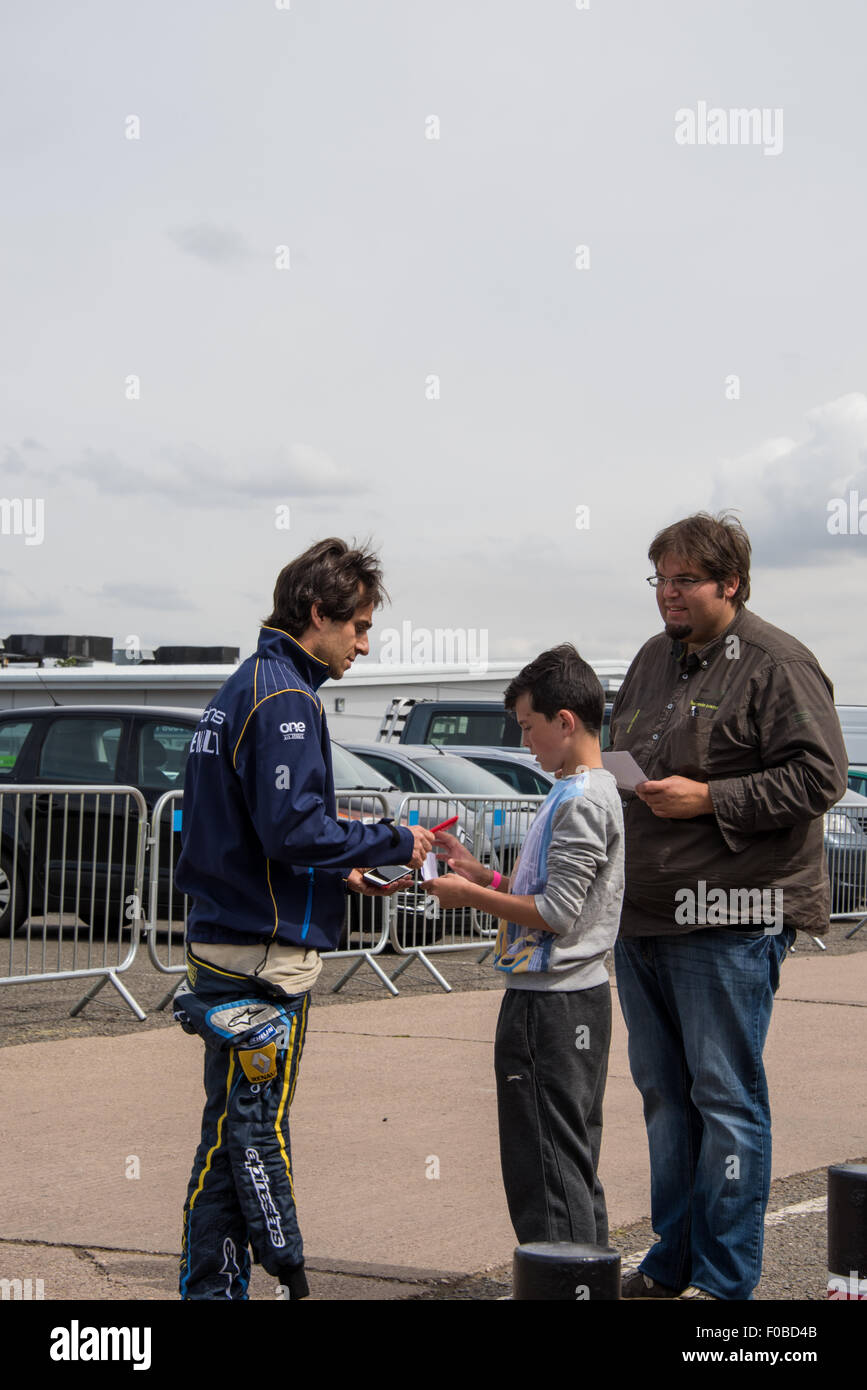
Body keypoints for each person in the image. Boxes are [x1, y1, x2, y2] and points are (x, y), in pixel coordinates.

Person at [173, 538, 434, 1300]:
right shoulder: (284, 696)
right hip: (258, 957)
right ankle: (214, 1292)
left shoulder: (253, 682)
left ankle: (218, 1289)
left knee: (234, 1134)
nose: (363, 642)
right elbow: (291, 830)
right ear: (317, 613)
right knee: (242, 1141)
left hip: (233, 940)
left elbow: (268, 832)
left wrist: (343, 867)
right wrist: (393, 839)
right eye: (357, 626)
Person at [611, 512, 848, 1301]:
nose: (668, 595)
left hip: (729, 917)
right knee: (664, 1101)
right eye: (660, 580)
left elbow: (820, 779)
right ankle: (669, 1261)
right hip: (643, 916)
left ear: (730, 583)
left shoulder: (778, 663)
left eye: (684, 580)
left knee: (723, 1098)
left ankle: (723, 1282)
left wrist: (711, 797)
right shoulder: (650, 660)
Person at [425, 645, 624, 1247]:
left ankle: (563, 1281)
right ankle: (586, 1278)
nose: (526, 742)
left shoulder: (581, 799)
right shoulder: (583, 788)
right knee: (570, 1155)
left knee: (545, 1162)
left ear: (565, 721)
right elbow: (560, 896)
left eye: (528, 727)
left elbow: (557, 914)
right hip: (571, 999)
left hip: (551, 1004)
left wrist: (469, 896)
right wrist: (484, 876)